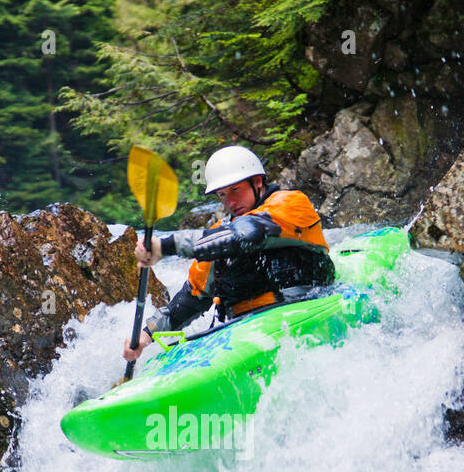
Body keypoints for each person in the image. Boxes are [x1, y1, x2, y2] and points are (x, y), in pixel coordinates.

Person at [123, 145, 332, 361]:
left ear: (257, 181)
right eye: (222, 195)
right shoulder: (216, 237)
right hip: (243, 331)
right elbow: (192, 298)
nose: (230, 202)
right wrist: (145, 335)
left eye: (236, 190)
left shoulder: (291, 205)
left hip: (303, 311)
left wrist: (165, 246)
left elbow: (247, 233)